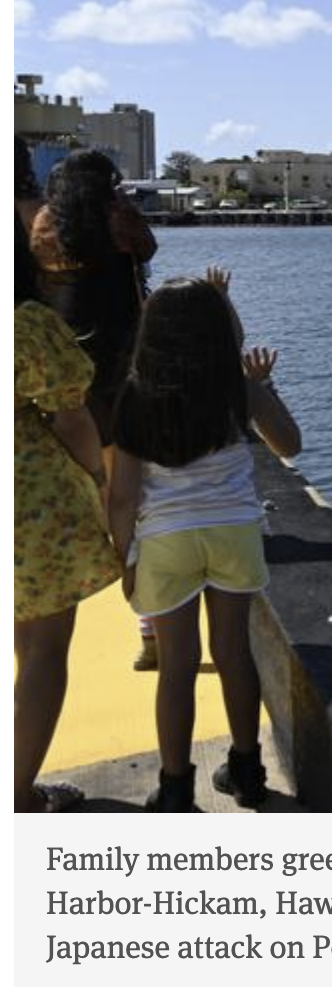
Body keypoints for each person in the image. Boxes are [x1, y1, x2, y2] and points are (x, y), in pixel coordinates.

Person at [109, 275, 302, 812]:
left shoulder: (135, 395)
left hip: (166, 540)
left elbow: (123, 496)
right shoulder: (237, 389)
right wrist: (264, 388)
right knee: (234, 652)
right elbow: (290, 446)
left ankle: (174, 790)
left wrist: (122, 556)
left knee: (177, 666)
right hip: (233, 533)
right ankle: (247, 772)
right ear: (221, 334)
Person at [30, 150, 159, 669]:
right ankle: (149, 626)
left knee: (99, 497)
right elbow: (147, 250)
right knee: (135, 499)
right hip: (125, 363)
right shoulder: (119, 217)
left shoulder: (45, 223)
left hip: (65, 372)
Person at [15, 218, 120, 812]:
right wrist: (99, 478)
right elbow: (72, 419)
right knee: (44, 648)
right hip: (31, 504)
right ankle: (20, 794)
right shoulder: (25, 324)